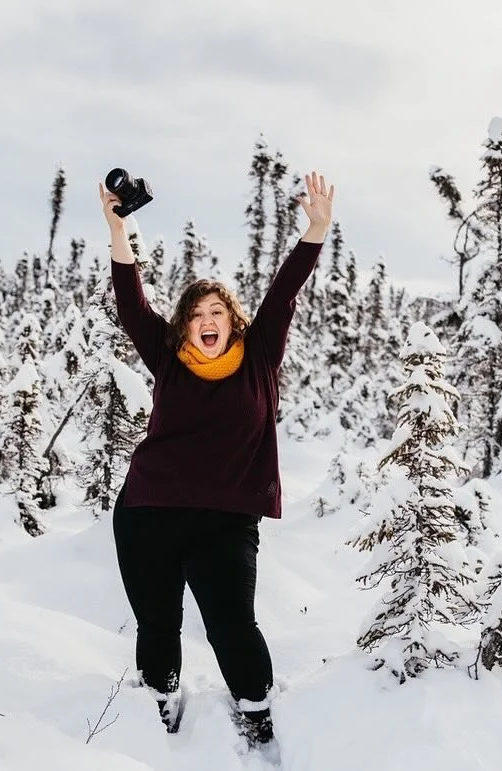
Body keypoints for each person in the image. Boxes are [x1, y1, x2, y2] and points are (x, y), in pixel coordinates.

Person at [99, 171, 334, 748]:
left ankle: (257, 714)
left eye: (217, 312)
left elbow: (283, 293)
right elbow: (132, 305)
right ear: (185, 325)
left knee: (232, 626)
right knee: (158, 624)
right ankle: (160, 708)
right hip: (149, 511)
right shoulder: (167, 357)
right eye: (197, 314)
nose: (207, 321)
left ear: (234, 321)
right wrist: (118, 229)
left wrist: (316, 230)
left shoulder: (259, 357)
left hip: (226, 521)